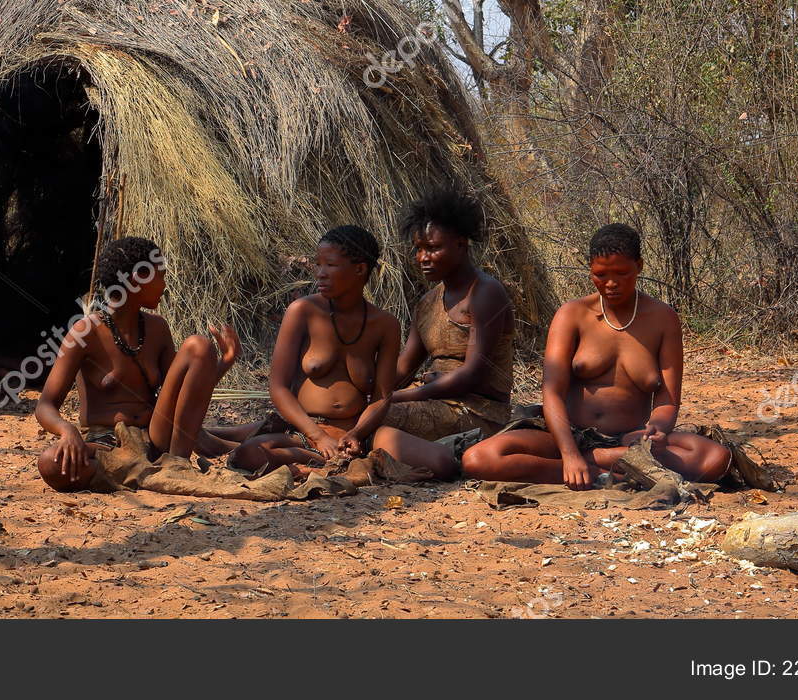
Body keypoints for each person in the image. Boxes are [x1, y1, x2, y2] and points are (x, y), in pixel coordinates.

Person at [461, 223, 733, 489]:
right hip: (568, 436)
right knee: (478, 459)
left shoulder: (663, 319)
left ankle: (600, 463)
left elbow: (668, 399)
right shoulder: (572, 315)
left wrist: (657, 430)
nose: (611, 284)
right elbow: (552, 393)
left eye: (622, 273)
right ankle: (600, 470)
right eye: (601, 275)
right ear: (590, 270)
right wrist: (569, 454)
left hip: (632, 441)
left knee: (715, 459)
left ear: (639, 266)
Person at [231, 225, 456, 480]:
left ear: (359, 269)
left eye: (330, 265)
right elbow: (278, 387)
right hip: (306, 434)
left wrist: (357, 434)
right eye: (317, 264)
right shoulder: (302, 311)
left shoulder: (384, 324)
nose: (320, 273)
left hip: (360, 435)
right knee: (250, 454)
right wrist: (318, 436)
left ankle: (330, 466)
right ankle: (330, 464)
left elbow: (382, 396)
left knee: (443, 462)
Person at [35, 236, 241, 491]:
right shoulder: (85, 332)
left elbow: (183, 399)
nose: (164, 285)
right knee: (50, 463)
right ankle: (142, 473)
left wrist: (224, 362)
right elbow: (45, 405)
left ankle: (176, 465)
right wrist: (67, 431)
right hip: (106, 444)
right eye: (161, 276)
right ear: (138, 278)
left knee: (199, 346)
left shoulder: (157, 328)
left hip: (155, 438)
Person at [384, 190, 515, 441]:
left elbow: (472, 375)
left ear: (461, 244)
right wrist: (372, 391)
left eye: (433, 248)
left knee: (379, 416)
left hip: (478, 412)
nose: (423, 258)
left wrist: (394, 398)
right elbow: (404, 366)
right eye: (418, 249)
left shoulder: (485, 293)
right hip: (431, 398)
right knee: (355, 409)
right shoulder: (427, 301)